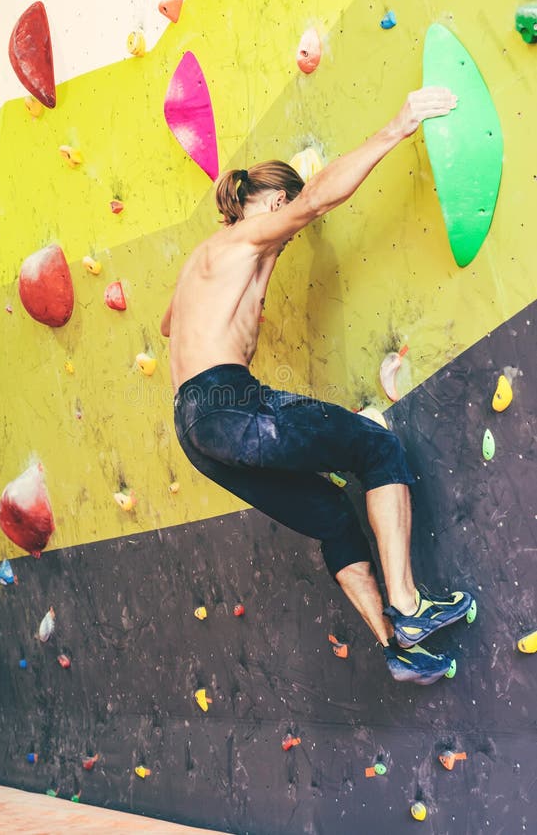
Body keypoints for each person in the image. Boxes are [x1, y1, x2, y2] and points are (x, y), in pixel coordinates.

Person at [162, 87, 475, 685]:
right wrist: (396, 126)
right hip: (229, 403)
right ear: (275, 200)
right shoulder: (246, 237)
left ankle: (399, 652)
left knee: (332, 517)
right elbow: (318, 202)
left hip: (195, 426)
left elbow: (171, 322)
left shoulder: (207, 259)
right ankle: (408, 610)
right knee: (376, 448)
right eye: (285, 210)